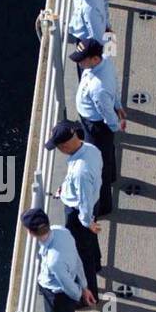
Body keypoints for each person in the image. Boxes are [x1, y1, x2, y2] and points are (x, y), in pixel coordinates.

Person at [45, 120, 103, 301]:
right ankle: (97, 265)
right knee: (90, 246)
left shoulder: (80, 172)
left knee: (82, 254)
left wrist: (87, 223)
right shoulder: (90, 149)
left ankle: (89, 296)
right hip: (92, 203)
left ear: (64, 146)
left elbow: (84, 201)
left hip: (79, 214)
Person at [71, 38, 127, 217]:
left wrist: (116, 125)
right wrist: (118, 105)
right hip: (94, 124)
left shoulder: (98, 87)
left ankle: (103, 206)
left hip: (95, 127)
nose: (79, 62)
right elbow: (115, 87)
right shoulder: (104, 63)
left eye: (83, 59)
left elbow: (106, 113)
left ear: (94, 59)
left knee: (98, 166)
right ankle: (112, 176)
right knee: (107, 154)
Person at [21, 207, 95, 312]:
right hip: (63, 289)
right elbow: (77, 261)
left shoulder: (53, 262)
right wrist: (84, 287)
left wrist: (80, 294)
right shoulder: (62, 231)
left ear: (30, 232)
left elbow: (68, 286)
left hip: (57, 297)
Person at [60, 0, 108, 72]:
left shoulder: (88, 10)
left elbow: (96, 39)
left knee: (84, 72)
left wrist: (89, 64)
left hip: (87, 45)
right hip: (100, 32)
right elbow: (105, 3)